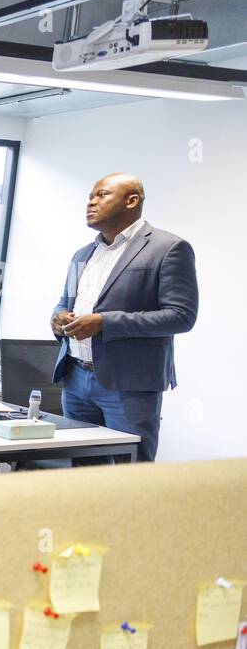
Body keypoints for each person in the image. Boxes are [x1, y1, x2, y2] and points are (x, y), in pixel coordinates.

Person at [50, 173, 197, 463]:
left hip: (129, 384)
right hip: (75, 377)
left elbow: (181, 316)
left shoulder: (168, 248)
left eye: (101, 195)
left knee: (131, 473)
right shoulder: (83, 254)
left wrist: (105, 322)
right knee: (84, 472)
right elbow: (64, 302)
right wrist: (57, 318)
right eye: (90, 196)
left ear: (132, 201)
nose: (91, 202)